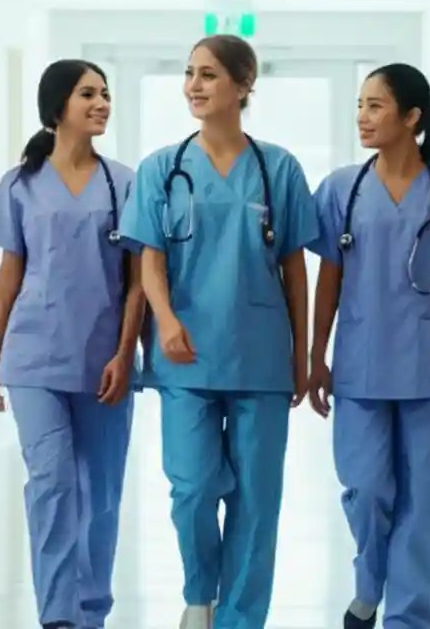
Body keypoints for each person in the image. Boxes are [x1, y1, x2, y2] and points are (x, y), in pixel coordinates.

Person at [118, 34, 318, 629]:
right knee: (192, 486)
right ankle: (199, 592)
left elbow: (294, 270)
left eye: (207, 74)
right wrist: (166, 320)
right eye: (189, 74)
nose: (193, 86)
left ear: (244, 84)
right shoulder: (162, 169)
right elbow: (150, 260)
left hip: (261, 357)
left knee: (257, 499)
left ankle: (239, 619)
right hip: (185, 354)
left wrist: (303, 355)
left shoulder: (278, 168)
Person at [305, 63, 430, 629]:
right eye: (359, 105)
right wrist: (315, 355)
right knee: (366, 489)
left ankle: (409, 617)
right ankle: (369, 584)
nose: (362, 117)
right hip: (360, 365)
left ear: (412, 117)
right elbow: (328, 279)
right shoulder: (342, 188)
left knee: (425, 503)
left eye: (375, 106)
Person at [0, 58, 146, 629]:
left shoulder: (124, 183)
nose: (102, 104)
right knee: (51, 483)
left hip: (104, 362)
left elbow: (137, 284)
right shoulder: (20, 184)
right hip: (33, 360)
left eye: (105, 93)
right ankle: (57, 616)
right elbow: (8, 279)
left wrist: (124, 353)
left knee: (100, 493)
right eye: (88, 94)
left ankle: (91, 611)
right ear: (58, 108)